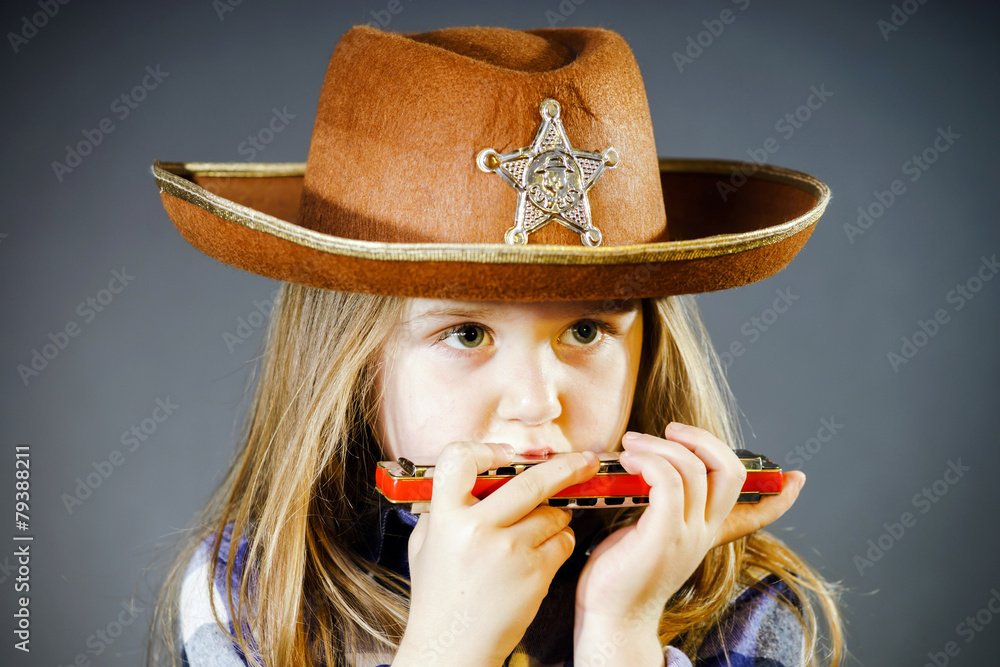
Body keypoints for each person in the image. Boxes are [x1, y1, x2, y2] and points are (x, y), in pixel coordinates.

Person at [148, 25, 844, 667]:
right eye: (469, 333)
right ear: (352, 363)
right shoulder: (249, 598)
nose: (538, 403)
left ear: (648, 345)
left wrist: (622, 628)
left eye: (585, 330)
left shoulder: (739, 606)